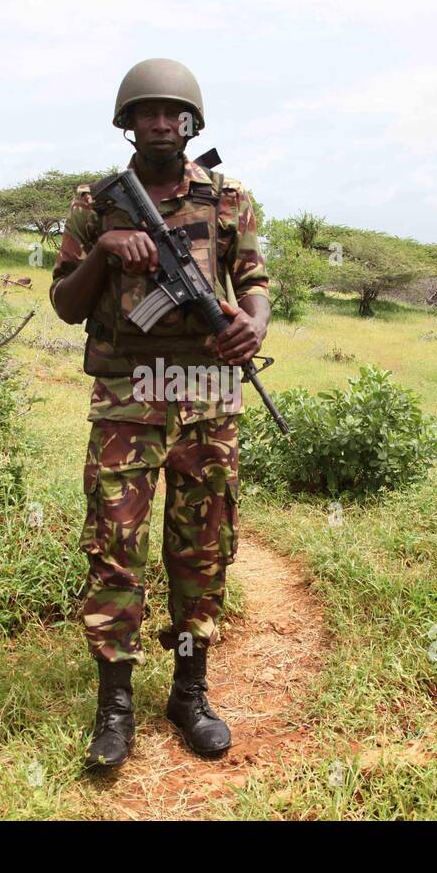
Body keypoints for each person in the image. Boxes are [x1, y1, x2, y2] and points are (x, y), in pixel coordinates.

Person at [49, 59, 270, 768]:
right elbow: (65, 304)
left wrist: (254, 326)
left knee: (201, 549)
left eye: (173, 113)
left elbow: (257, 281)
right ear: (127, 123)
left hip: (208, 400)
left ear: (192, 123)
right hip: (127, 400)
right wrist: (107, 253)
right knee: (115, 544)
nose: (160, 122)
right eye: (146, 112)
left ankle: (189, 692)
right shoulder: (95, 203)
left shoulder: (229, 197)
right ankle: (114, 708)